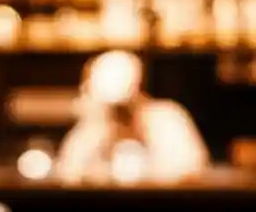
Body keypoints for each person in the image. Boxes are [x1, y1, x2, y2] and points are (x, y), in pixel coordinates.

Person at [57, 50, 208, 185]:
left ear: (139, 95)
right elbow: (68, 173)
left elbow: (191, 171)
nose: (118, 115)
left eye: (122, 108)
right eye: (111, 109)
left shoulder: (167, 120)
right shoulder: (93, 127)